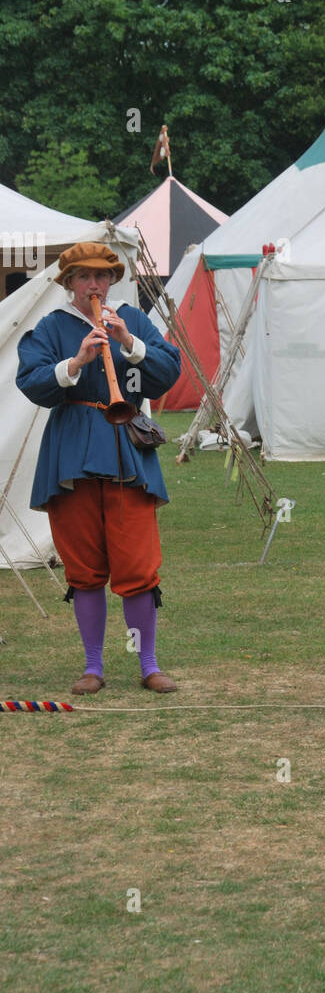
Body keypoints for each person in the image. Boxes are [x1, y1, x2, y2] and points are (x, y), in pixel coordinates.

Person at [16, 242, 181, 695]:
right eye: (85, 277)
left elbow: (169, 373)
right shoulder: (52, 327)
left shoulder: (132, 318)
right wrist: (76, 363)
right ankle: (93, 667)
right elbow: (30, 381)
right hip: (71, 451)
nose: (95, 285)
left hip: (127, 450)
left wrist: (128, 342)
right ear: (68, 282)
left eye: (103, 276)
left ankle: (147, 664)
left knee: (136, 563)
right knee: (84, 565)